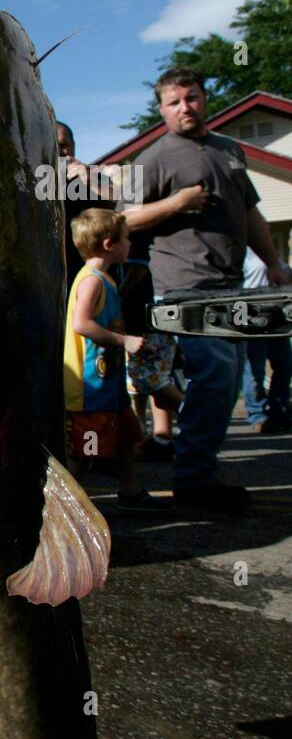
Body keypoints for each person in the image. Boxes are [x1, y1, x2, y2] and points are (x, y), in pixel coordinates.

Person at [121, 68, 290, 512]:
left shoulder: (229, 150)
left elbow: (251, 214)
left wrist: (273, 263)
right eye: (174, 102)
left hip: (232, 286)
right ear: (161, 109)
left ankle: (199, 473)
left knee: (227, 383)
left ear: (204, 99)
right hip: (184, 287)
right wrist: (175, 204)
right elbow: (125, 220)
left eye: (191, 98)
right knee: (213, 380)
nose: (185, 108)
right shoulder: (152, 158)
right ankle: (193, 481)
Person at [63, 210, 171, 512]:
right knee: (87, 449)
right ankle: (69, 507)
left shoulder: (103, 279)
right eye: (126, 239)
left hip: (108, 383)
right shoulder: (91, 281)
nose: (130, 245)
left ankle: (129, 491)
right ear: (109, 243)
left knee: (126, 437)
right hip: (89, 387)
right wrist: (124, 341)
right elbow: (81, 324)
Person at [241, 247, 292, 434]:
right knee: (255, 369)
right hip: (253, 315)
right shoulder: (243, 254)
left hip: (278, 317)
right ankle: (257, 414)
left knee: (284, 366)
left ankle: (281, 410)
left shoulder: (275, 257)